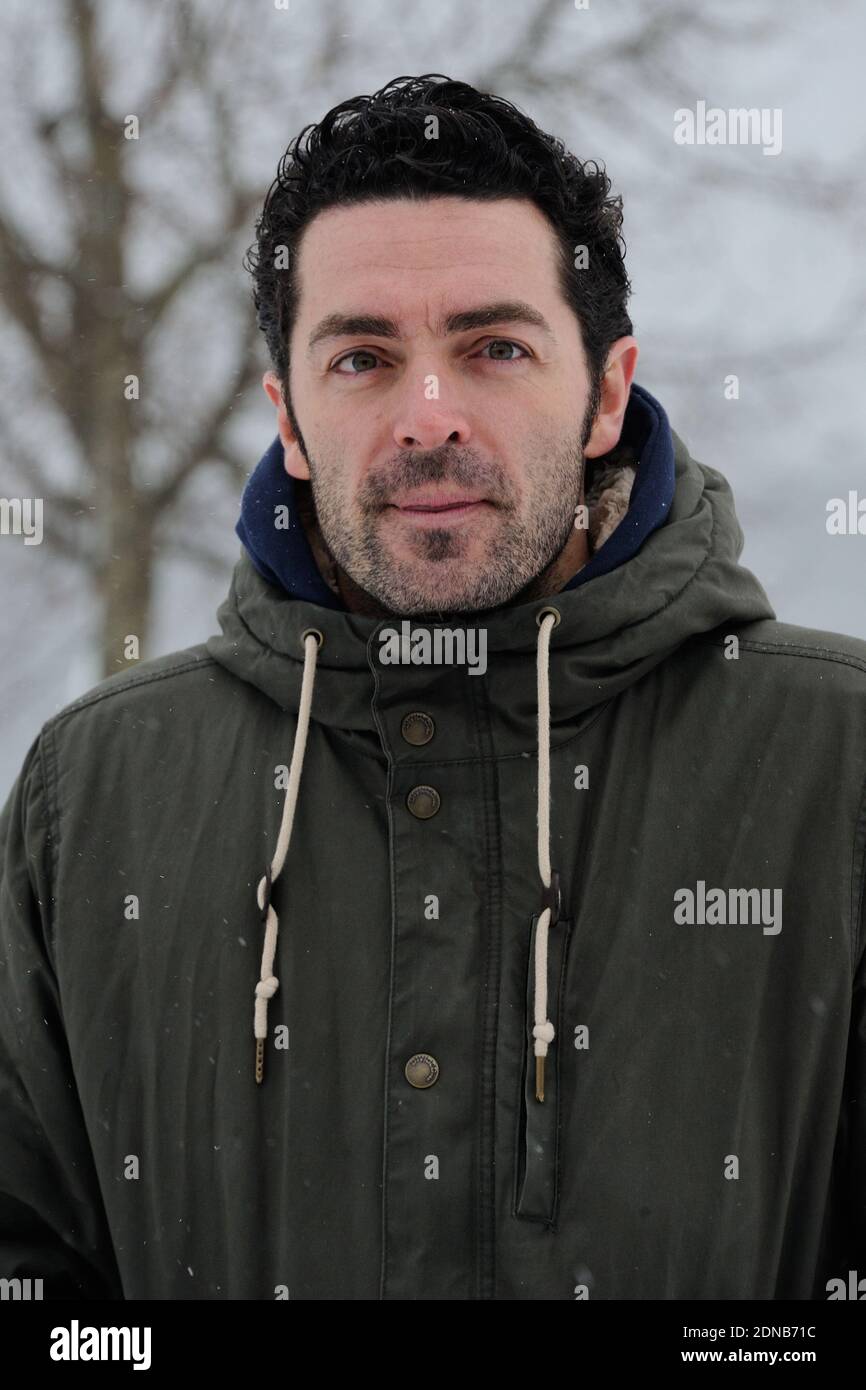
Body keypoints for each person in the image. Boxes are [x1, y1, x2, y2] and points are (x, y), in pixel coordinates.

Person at [0, 73, 864, 1302]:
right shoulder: (90, 796)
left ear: (607, 392)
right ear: (288, 420)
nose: (426, 415)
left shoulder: (832, 766)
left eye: (493, 347)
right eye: (360, 357)